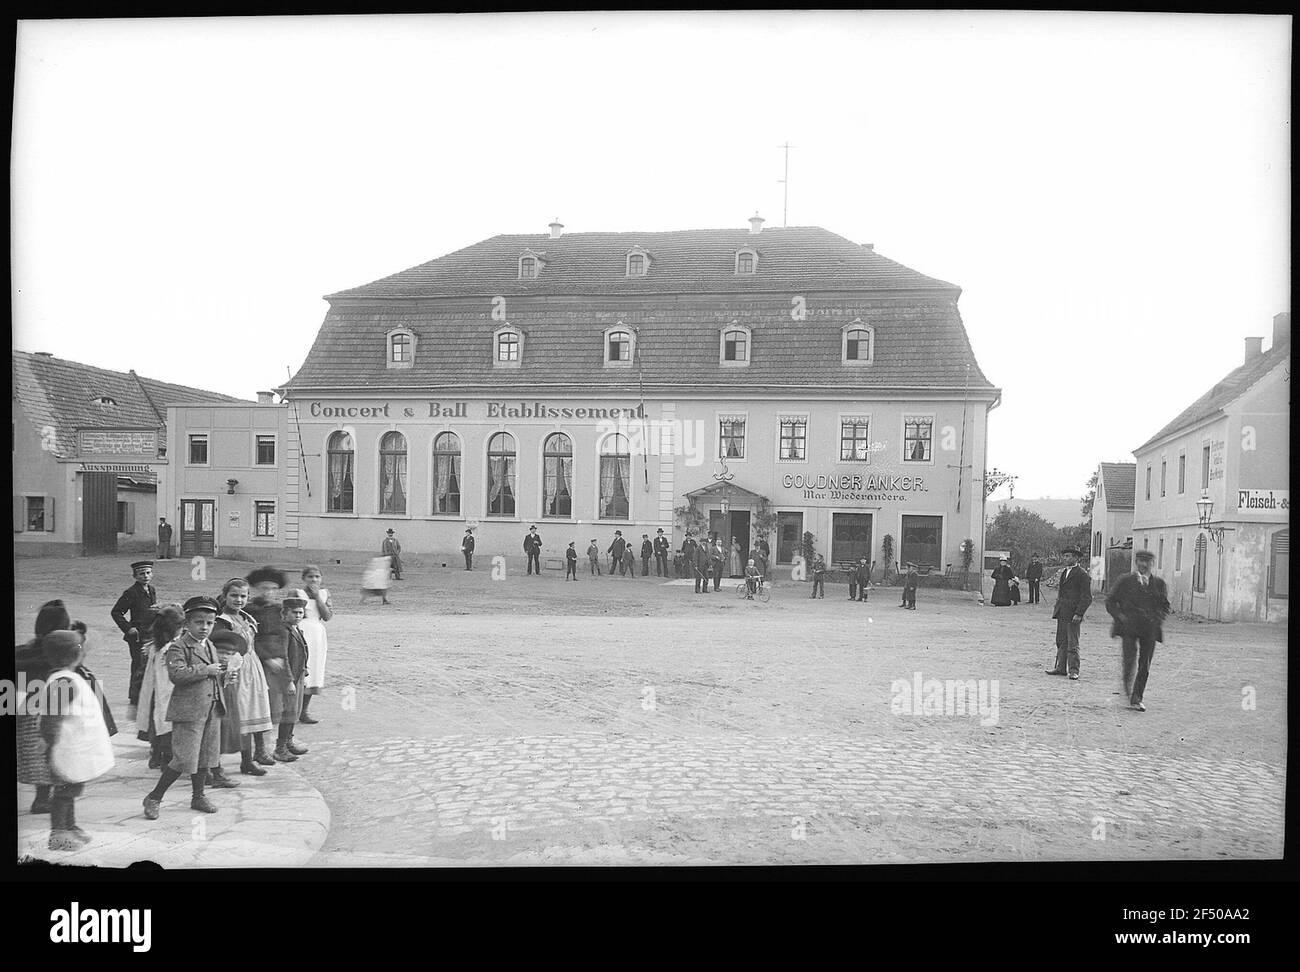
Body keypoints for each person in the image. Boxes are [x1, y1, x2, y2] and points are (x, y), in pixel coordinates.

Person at [18, 601, 116, 816]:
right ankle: (59, 810)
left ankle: (42, 798)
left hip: (30, 712)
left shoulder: (28, 652)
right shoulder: (66, 654)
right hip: (55, 715)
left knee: (40, 761)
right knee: (57, 758)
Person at [142, 595, 228, 820]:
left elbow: (213, 674)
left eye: (209, 623)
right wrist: (205, 670)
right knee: (183, 758)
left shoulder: (209, 645)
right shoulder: (178, 647)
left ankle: (198, 796)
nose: (205, 628)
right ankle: (154, 797)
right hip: (188, 711)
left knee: (204, 756)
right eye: (199, 622)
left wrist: (225, 675)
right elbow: (177, 675)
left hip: (210, 708)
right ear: (187, 624)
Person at [38, 630, 115, 850]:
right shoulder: (64, 682)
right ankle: (59, 834)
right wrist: (48, 741)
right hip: (65, 748)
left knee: (69, 789)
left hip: (72, 748)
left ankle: (69, 827)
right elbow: (52, 718)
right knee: (64, 792)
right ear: (75, 655)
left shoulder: (67, 677)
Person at [213, 579, 274, 774]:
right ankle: (215, 765)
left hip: (251, 667)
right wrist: (227, 672)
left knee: (250, 713)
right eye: (234, 595)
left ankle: (248, 760)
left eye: (243, 596)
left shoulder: (247, 617)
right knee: (233, 715)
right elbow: (219, 650)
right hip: (233, 670)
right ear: (225, 596)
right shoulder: (221, 621)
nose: (239, 600)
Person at [1105, 549, 1170, 712]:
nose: (1143, 565)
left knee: (1145, 665)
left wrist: (1158, 619)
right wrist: (1120, 617)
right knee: (1129, 661)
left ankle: (1137, 697)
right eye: (1140, 561)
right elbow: (1110, 602)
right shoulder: (1125, 581)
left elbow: (1165, 605)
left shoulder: (1159, 584)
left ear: (1151, 564)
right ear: (1136, 563)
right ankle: (1128, 688)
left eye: (1146, 562)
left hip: (1150, 629)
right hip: (1129, 628)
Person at [259, 591, 311, 762]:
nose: (297, 616)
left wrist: (304, 670)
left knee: (294, 711)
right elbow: (284, 656)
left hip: (298, 675)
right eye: (294, 612)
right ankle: (280, 748)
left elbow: (302, 652)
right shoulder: (284, 631)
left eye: (300, 613)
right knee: (288, 712)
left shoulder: (295, 629)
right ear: (285, 613)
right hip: (288, 679)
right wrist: (288, 680)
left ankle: (288, 741)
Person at [136, 605, 184, 771]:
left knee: (158, 725)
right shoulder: (172, 648)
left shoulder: (154, 646)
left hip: (155, 692)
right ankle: (166, 760)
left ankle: (156, 756)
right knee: (168, 727)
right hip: (167, 692)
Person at [111, 560, 159, 710]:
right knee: (138, 664)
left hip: (150, 634)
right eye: (141, 573)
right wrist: (128, 628)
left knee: (149, 664)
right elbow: (116, 612)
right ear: (135, 576)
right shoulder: (131, 593)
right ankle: (135, 697)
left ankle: (146, 695)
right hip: (137, 635)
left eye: (148, 573)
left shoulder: (151, 590)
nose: (145, 576)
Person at [1047, 546, 1093, 680]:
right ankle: (1061, 668)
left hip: (1073, 614)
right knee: (1061, 640)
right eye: (1065, 556)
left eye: (1068, 556)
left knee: (1073, 643)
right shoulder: (1063, 573)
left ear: (1076, 558)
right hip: (1062, 612)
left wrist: (1079, 613)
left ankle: (1074, 670)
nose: (1065, 558)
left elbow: (1087, 597)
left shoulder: (1082, 574)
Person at [207, 628, 244, 791]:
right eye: (220, 652)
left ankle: (214, 768)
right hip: (210, 704)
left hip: (226, 703)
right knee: (210, 736)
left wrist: (229, 678)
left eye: (228, 653)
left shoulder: (232, 667)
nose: (224, 656)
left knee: (222, 734)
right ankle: (212, 771)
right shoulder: (208, 665)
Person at [298, 566, 333, 725]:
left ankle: (304, 711)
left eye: (317, 577)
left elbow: (327, 616)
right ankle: (292, 710)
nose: (314, 580)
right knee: (299, 669)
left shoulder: (325, 594)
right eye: (310, 577)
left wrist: (317, 597)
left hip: (317, 636)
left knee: (314, 671)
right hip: (301, 633)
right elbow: (292, 614)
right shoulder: (297, 593)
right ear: (304, 578)